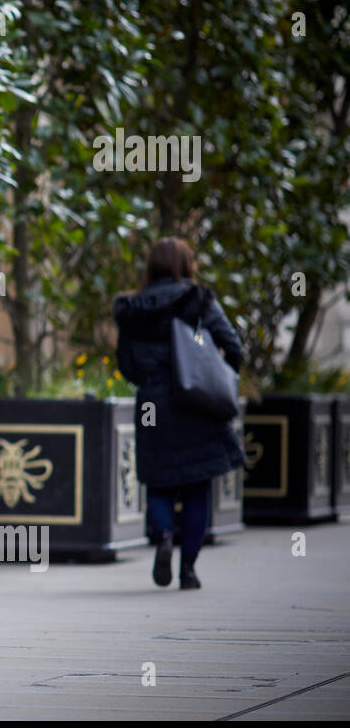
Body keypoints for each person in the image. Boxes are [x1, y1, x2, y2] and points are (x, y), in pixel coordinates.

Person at [114, 237, 244, 590]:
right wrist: (218, 376)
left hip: (153, 405)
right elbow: (234, 346)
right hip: (198, 402)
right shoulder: (198, 300)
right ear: (185, 265)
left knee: (159, 481)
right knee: (197, 486)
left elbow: (125, 363)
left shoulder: (133, 307)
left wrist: (149, 380)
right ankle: (189, 568)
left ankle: (165, 536)